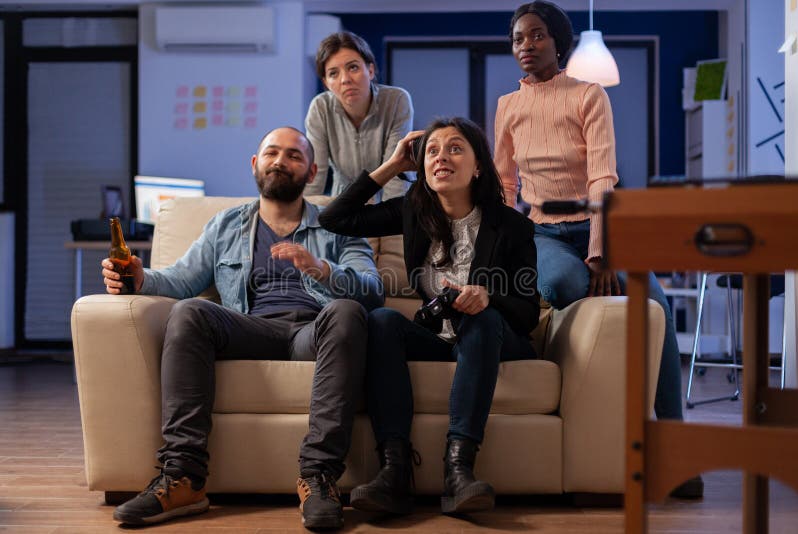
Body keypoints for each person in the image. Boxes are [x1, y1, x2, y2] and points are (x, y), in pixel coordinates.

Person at [101, 127, 384, 529]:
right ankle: (184, 477)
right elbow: (181, 281)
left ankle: (318, 477)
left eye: (293, 156)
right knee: (190, 311)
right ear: (256, 164)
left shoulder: (336, 225)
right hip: (250, 329)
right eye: (272, 153)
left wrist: (321, 269)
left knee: (347, 311)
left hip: (313, 334)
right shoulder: (227, 225)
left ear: (311, 171)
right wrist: (139, 277)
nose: (281, 161)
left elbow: (372, 293)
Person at [494, 1, 703, 498]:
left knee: (655, 304)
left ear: (559, 41)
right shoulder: (507, 106)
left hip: (601, 228)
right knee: (566, 285)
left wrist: (601, 251)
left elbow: (602, 177)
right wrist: (502, 245)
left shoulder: (589, 95)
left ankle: (673, 448)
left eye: (537, 35)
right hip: (542, 232)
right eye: (519, 38)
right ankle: (608, 428)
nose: (526, 46)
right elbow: (504, 185)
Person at [320, 117, 540, 515]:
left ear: (478, 166)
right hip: (440, 337)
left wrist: (487, 297)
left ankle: (458, 469)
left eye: (455, 148)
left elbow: (527, 313)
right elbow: (334, 218)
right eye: (433, 150)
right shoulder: (413, 211)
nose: (442, 157)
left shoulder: (512, 227)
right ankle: (395, 468)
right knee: (383, 321)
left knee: (482, 319)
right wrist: (390, 166)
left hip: (491, 336)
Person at [304, 31, 413, 201]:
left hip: (389, 196)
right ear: (326, 83)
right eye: (333, 73)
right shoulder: (320, 108)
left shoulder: (397, 101)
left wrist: (392, 220)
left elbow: (396, 171)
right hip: (342, 200)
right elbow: (315, 176)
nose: (345, 80)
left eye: (353, 67)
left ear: (370, 70)